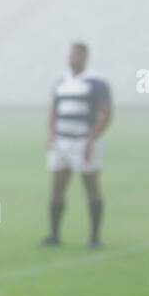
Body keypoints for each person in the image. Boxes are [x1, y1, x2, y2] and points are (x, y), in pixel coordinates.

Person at [43, 42, 112, 249]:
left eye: (76, 55)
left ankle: (94, 237)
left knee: (91, 187)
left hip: (83, 141)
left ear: (84, 57)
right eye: (70, 55)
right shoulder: (60, 82)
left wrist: (91, 139)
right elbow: (54, 111)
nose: (72, 58)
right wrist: (51, 134)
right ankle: (54, 235)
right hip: (62, 141)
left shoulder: (96, 83)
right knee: (57, 188)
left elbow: (106, 114)